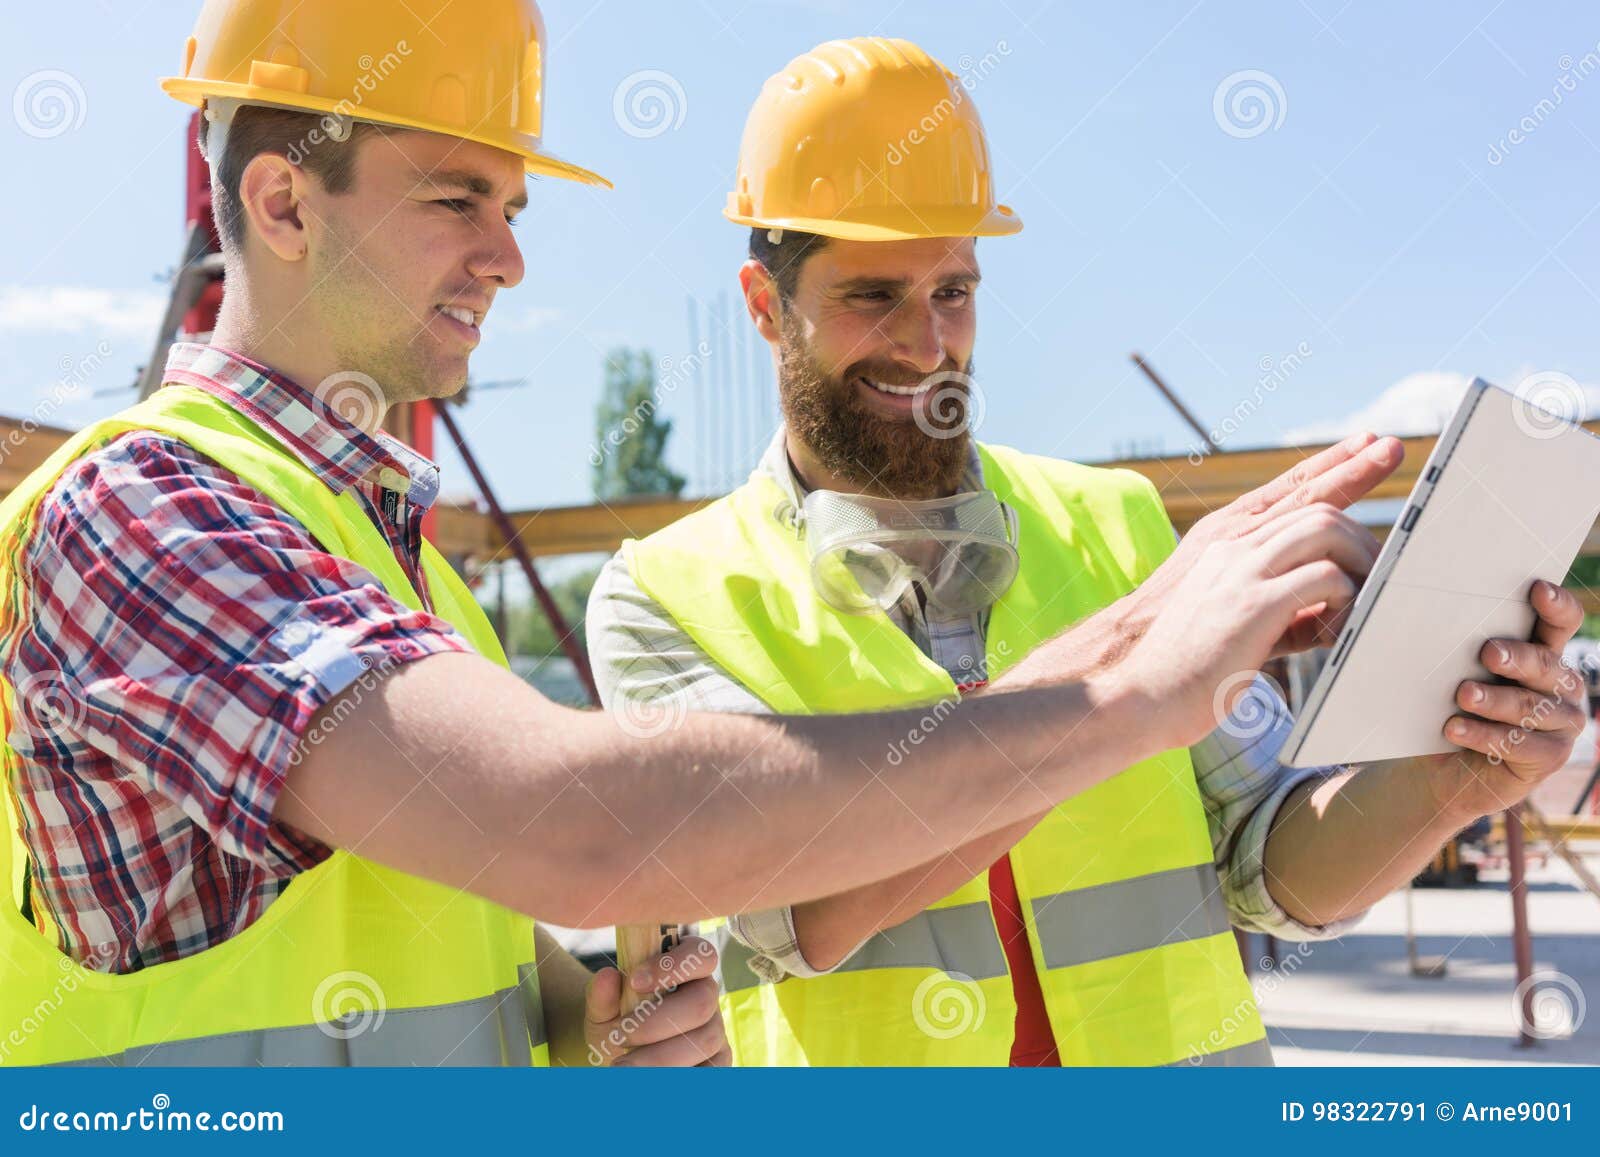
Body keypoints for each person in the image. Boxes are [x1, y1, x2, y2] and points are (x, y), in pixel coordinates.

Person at [0, 1, 1394, 1070]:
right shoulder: (149, 513)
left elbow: (423, 949)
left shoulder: (392, 563)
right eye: (456, 199)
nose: (510, 257)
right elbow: (582, 829)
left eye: (512, 206)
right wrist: (1130, 687)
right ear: (284, 198)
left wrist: (575, 1022)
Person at [587, 37, 1588, 1067]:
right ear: (765, 307)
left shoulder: (1118, 523)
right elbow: (800, 910)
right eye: (871, 294)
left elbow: (1271, 857)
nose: (927, 344)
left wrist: (1449, 783)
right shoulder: (663, 595)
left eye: (953, 291)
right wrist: (1132, 668)